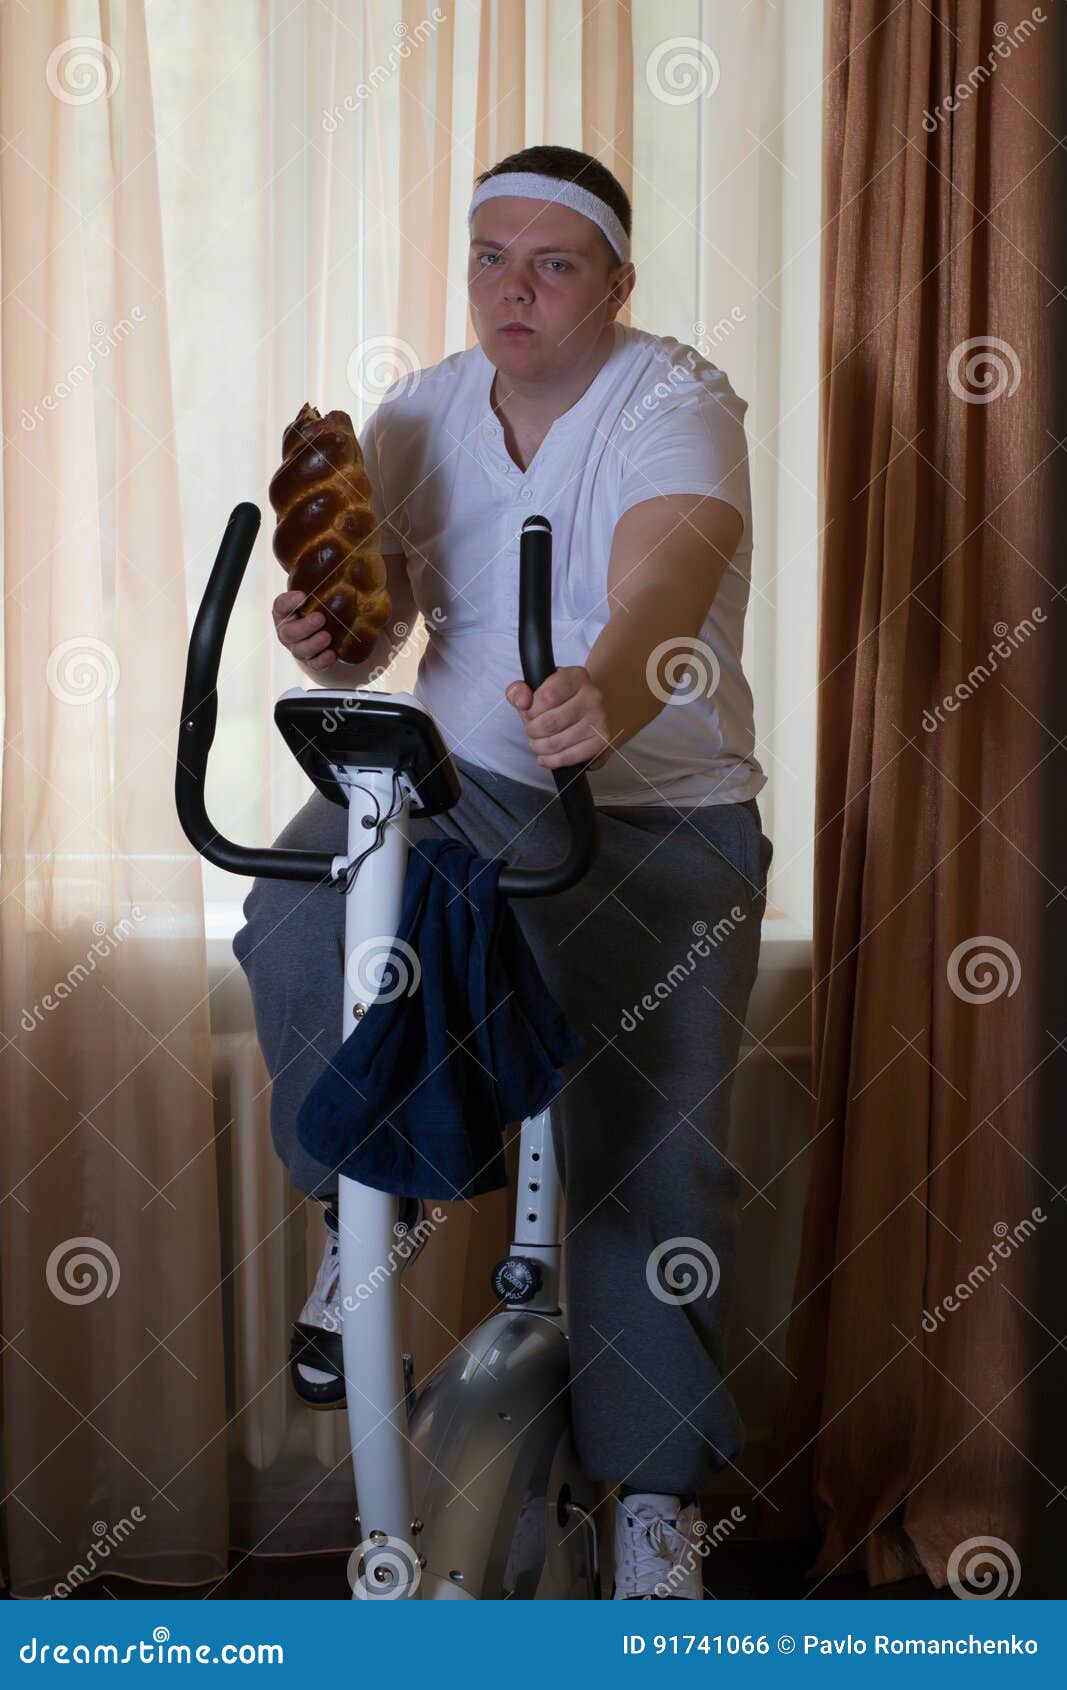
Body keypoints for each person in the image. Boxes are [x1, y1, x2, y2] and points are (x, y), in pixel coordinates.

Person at [233, 144, 773, 1600]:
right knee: (292, 915)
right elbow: (380, 626)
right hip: (455, 795)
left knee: (644, 1158)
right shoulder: (417, 412)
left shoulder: (675, 399)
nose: (513, 290)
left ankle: (654, 1502)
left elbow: (673, 575)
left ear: (616, 283)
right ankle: (377, 1201)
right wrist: (323, 637)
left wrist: (604, 682)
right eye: (491, 258)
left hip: (655, 816)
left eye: (553, 263)